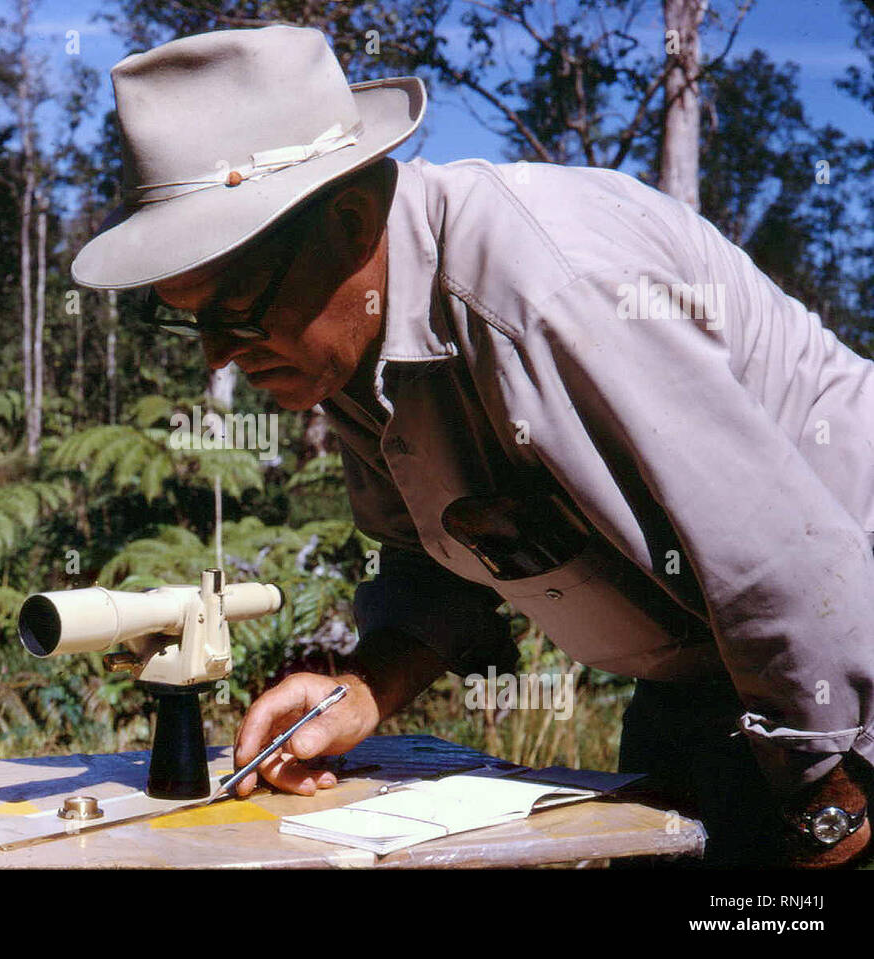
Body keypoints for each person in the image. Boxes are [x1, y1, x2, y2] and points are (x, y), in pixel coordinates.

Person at [72, 25, 874, 868]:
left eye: (235, 306)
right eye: (191, 316)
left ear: (348, 223)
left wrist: (830, 807)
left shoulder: (547, 286)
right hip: (708, 683)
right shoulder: (355, 341)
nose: (216, 353)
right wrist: (363, 686)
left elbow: (782, 558)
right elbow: (433, 560)